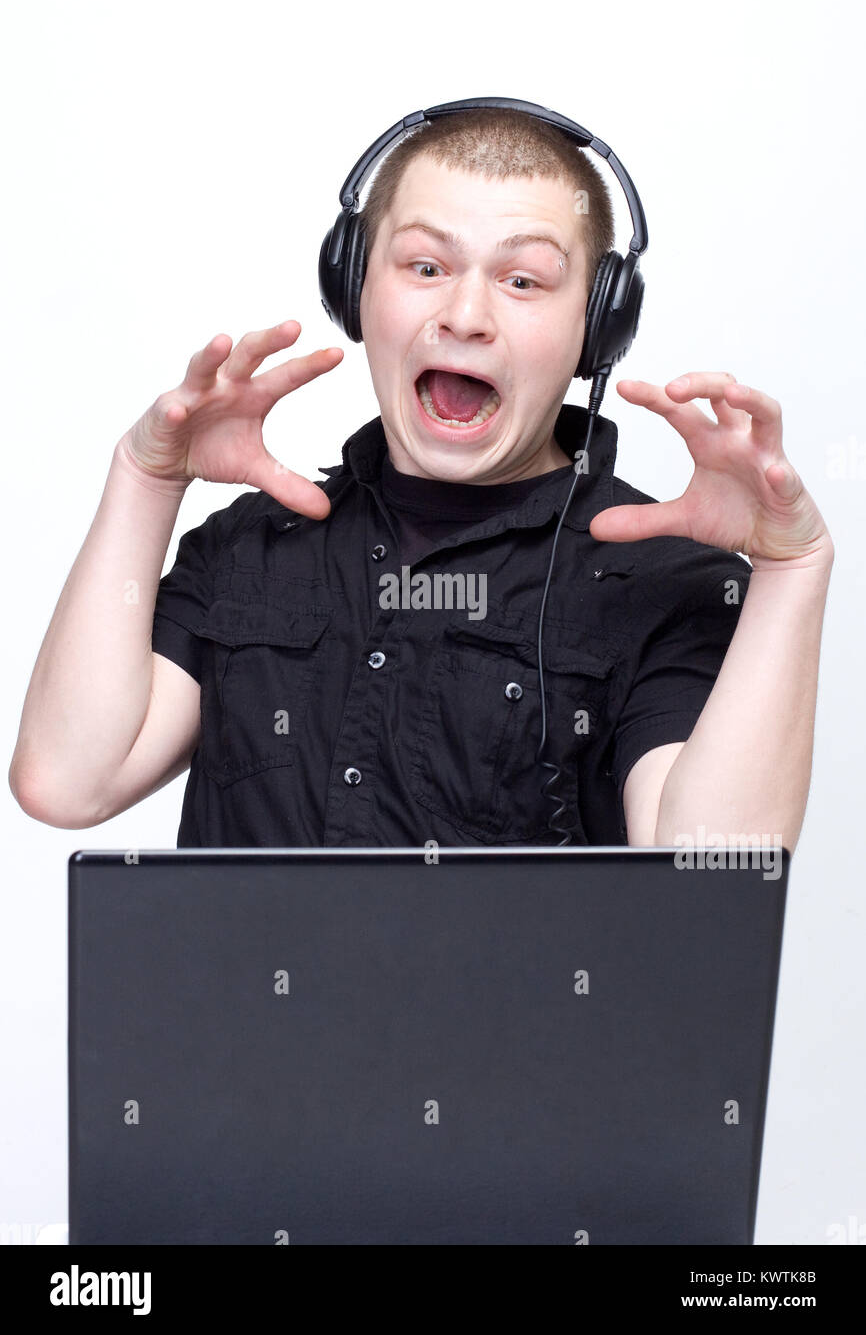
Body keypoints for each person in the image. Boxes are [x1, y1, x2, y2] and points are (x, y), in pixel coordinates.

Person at [9, 107, 834, 851]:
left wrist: (791, 572)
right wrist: (145, 478)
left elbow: (709, 876)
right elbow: (65, 780)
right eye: (426, 267)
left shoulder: (668, 583)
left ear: (597, 328)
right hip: (242, 1027)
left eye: (523, 281)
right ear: (355, 288)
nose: (466, 315)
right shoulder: (250, 549)